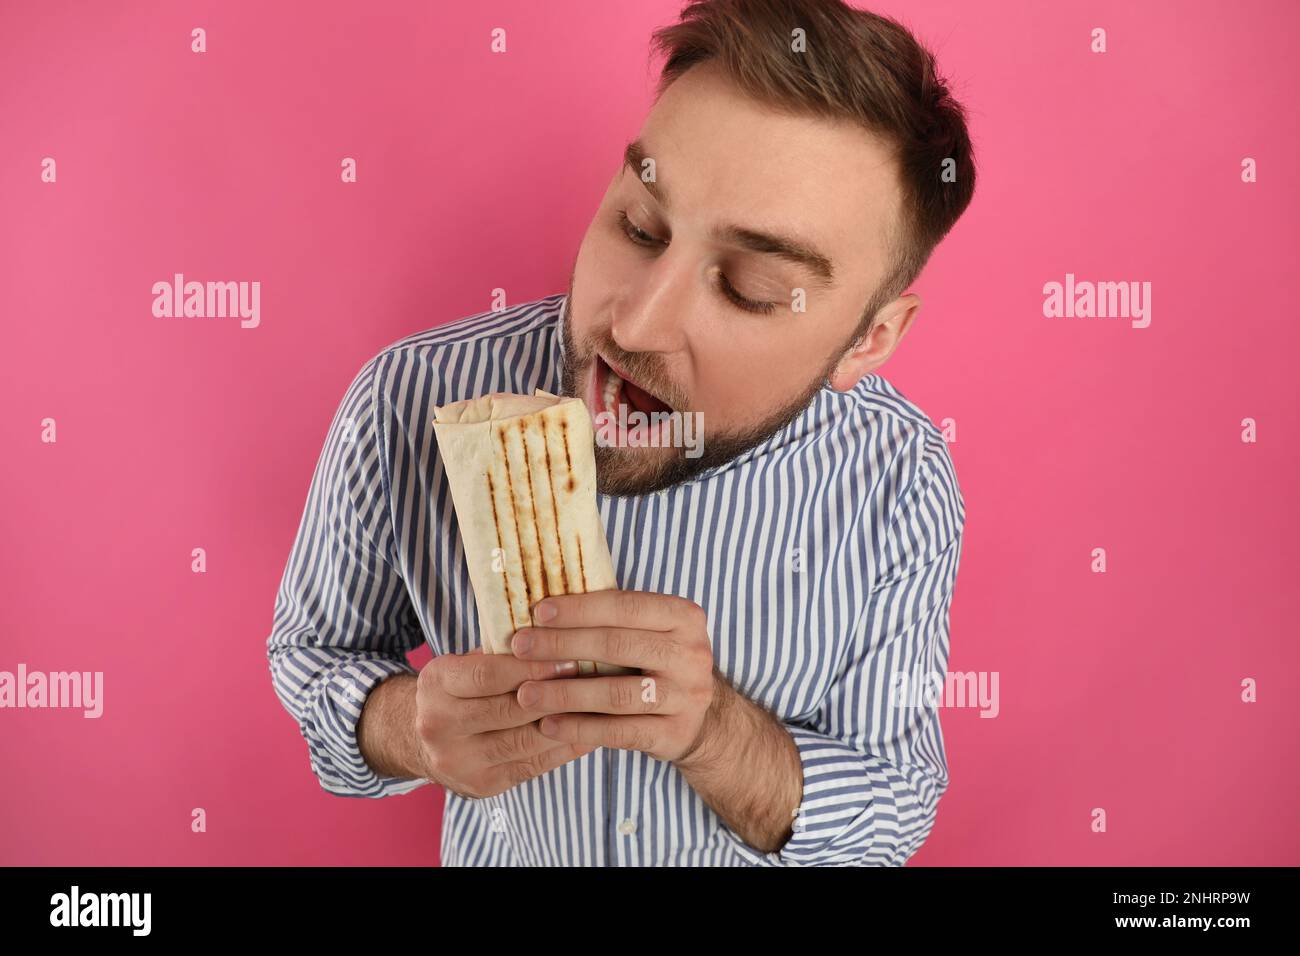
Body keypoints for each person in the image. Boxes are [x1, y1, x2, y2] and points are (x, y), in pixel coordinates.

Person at [267, 0, 975, 866]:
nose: (634, 328)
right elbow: (315, 652)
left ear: (869, 339)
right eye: (640, 226)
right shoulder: (409, 398)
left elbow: (895, 805)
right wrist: (406, 729)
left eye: (751, 287)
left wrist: (716, 732)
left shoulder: (898, 479)